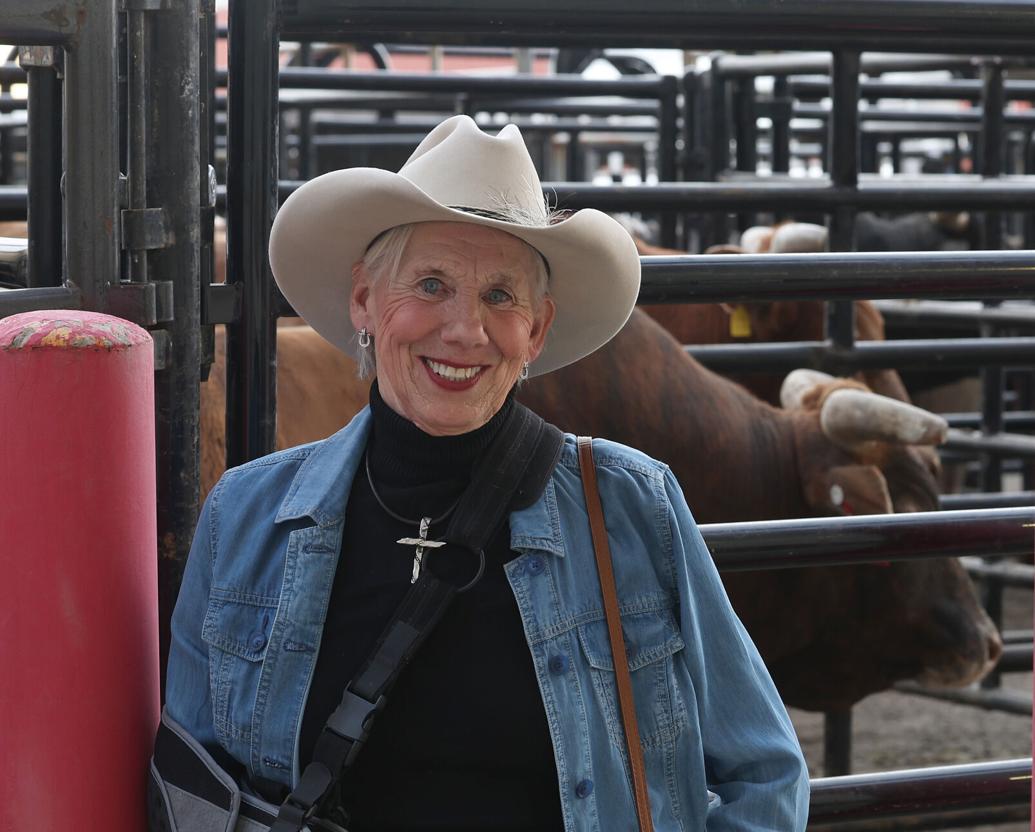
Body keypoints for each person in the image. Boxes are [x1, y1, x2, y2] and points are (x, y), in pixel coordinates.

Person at [162, 115, 809, 830]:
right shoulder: (248, 514)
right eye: (431, 284)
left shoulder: (631, 506)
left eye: (500, 296)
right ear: (363, 302)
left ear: (535, 330)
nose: (465, 329)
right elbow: (194, 786)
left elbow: (763, 772)